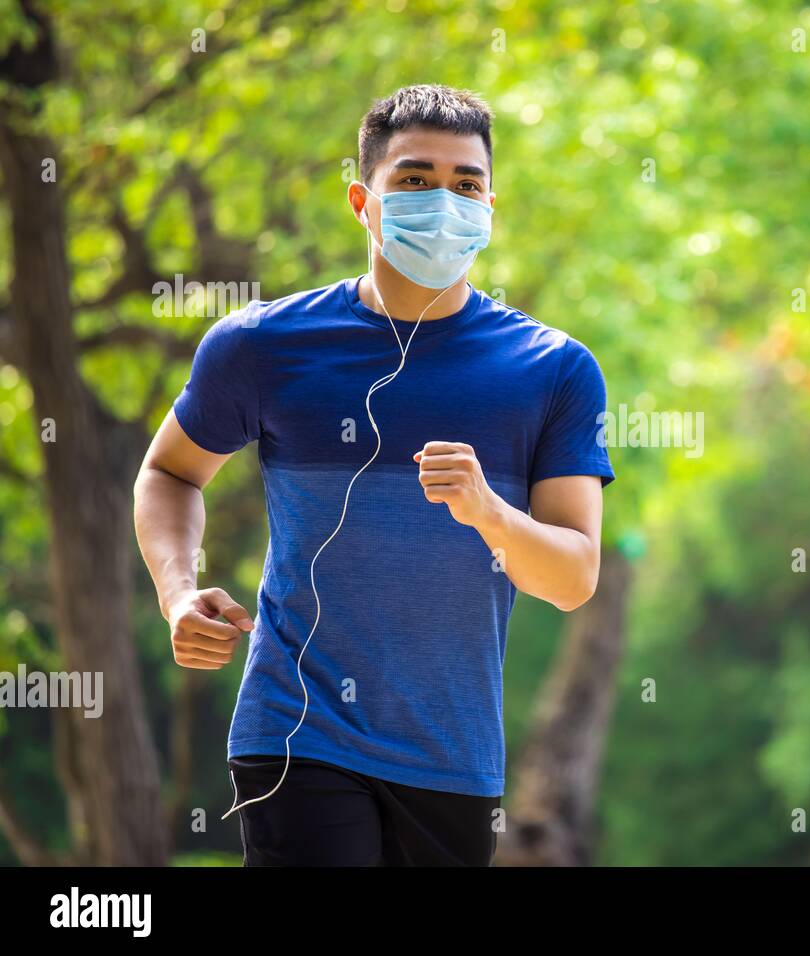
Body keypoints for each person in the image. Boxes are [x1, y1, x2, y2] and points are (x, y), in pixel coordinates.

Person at [133, 84, 615, 866]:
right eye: (415, 180)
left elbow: (572, 578)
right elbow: (169, 472)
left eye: (466, 185)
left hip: (452, 754)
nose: (444, 201)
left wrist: (491, 513)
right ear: (364, 201)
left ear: (491, 205)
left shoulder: (552, 370)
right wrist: (178, 589)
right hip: (298, 730)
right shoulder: (262, 345)